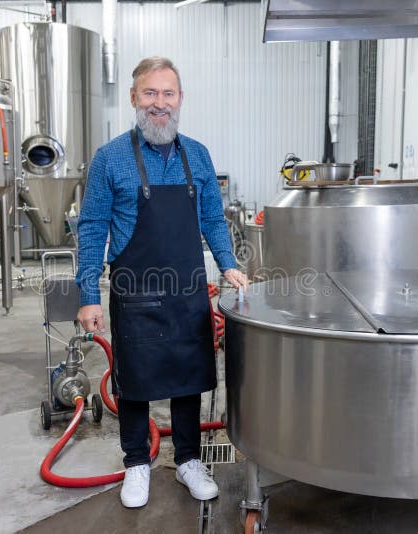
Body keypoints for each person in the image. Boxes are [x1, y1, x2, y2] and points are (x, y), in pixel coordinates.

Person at [75, 56, 248, 508]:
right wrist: (88, 294)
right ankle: (136, 463)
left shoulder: (198, 155)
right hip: (134, 289)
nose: (159, 103)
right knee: (135, 379)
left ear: (180, 100)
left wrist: (228, 262)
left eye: (167, 94)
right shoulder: (110, 157)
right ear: (134, 98)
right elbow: (93, 227)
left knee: (189, 376)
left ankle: (189, 460)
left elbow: (212, 216)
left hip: (187, 286)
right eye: (149, 93)